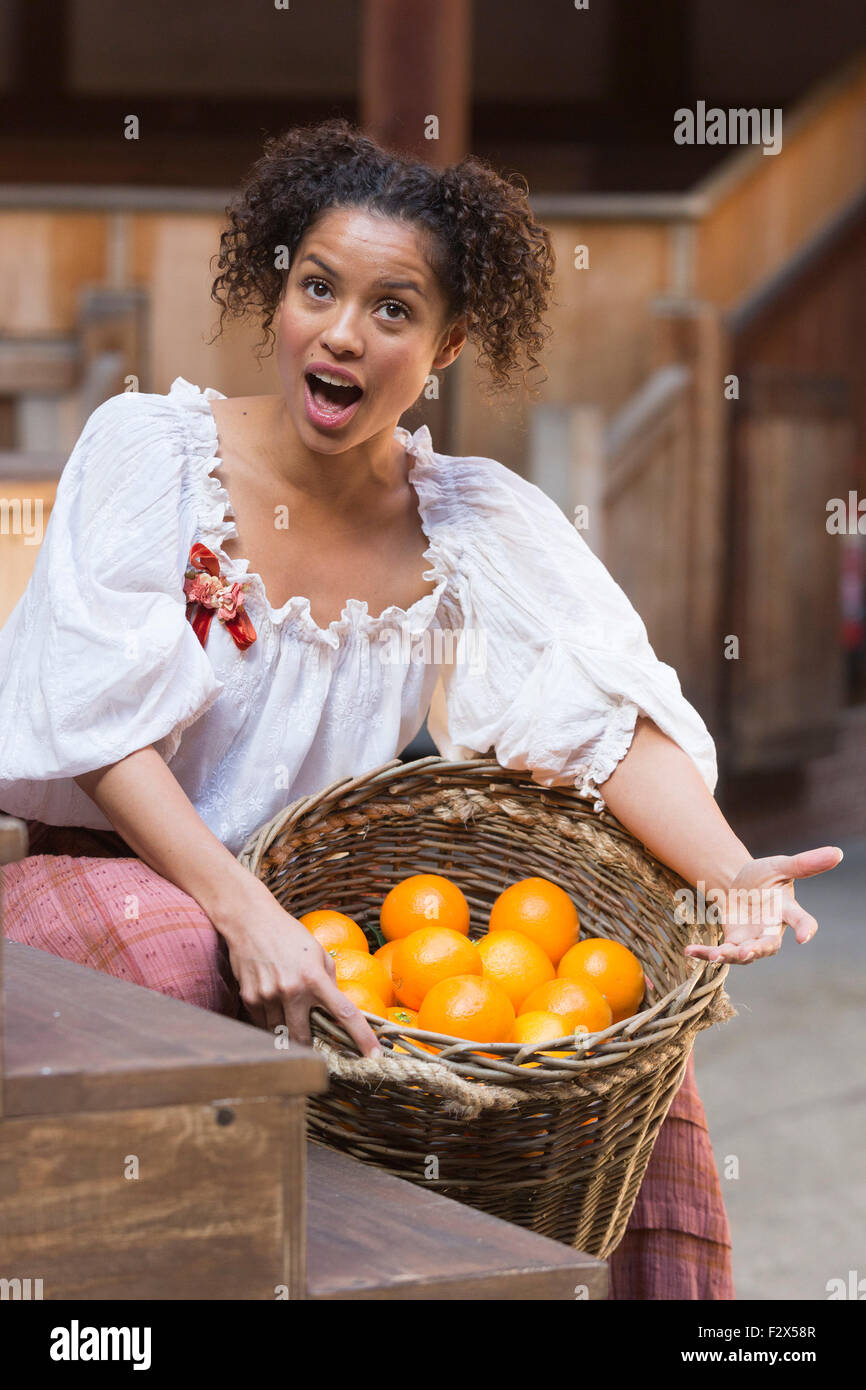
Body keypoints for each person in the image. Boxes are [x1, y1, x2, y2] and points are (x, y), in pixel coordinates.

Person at [0, 118, 842, 1299]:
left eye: (392, 309)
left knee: (609, 1060)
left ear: (446, 343)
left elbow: (597, 711)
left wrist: (729, 870)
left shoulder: (470, 520)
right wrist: (242, 911)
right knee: (187, 954)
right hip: (86, 874)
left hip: (312, 920)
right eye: (316, 288)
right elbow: (98, 728)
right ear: (277, 294)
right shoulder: (149, 452)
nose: (342, 332)